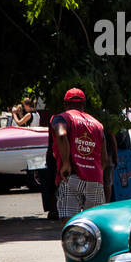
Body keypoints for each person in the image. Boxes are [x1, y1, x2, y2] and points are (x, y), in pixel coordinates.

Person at [50, 88, 111, 220]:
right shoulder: (97, 124)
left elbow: (61, 134)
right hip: (95, 178)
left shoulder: (62, 118)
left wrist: (66, 163)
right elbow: (104, 158)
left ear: (65, 104)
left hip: (71, 177)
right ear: (83, 105)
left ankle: (74, 241)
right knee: (94, 223)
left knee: (70, 222)